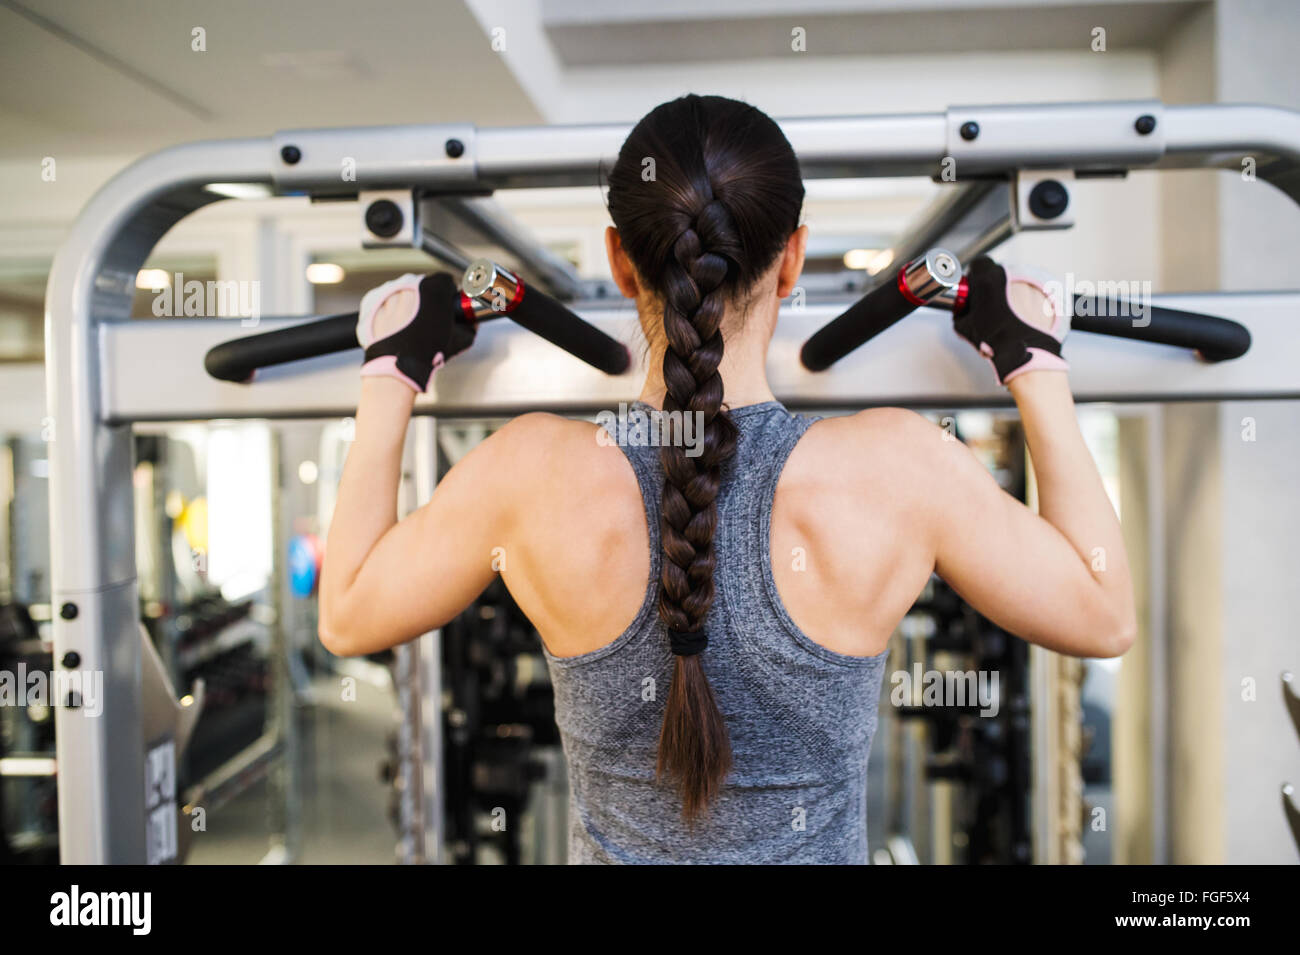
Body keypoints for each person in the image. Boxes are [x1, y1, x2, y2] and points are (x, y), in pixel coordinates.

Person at [318, 94, 1136, 864]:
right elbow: (1103, 613)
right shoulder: (898, 467)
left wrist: (391, 372)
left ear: (621, 262)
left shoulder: (531, 472)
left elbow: (348, 613)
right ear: (792, 260)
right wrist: (1032, 362)